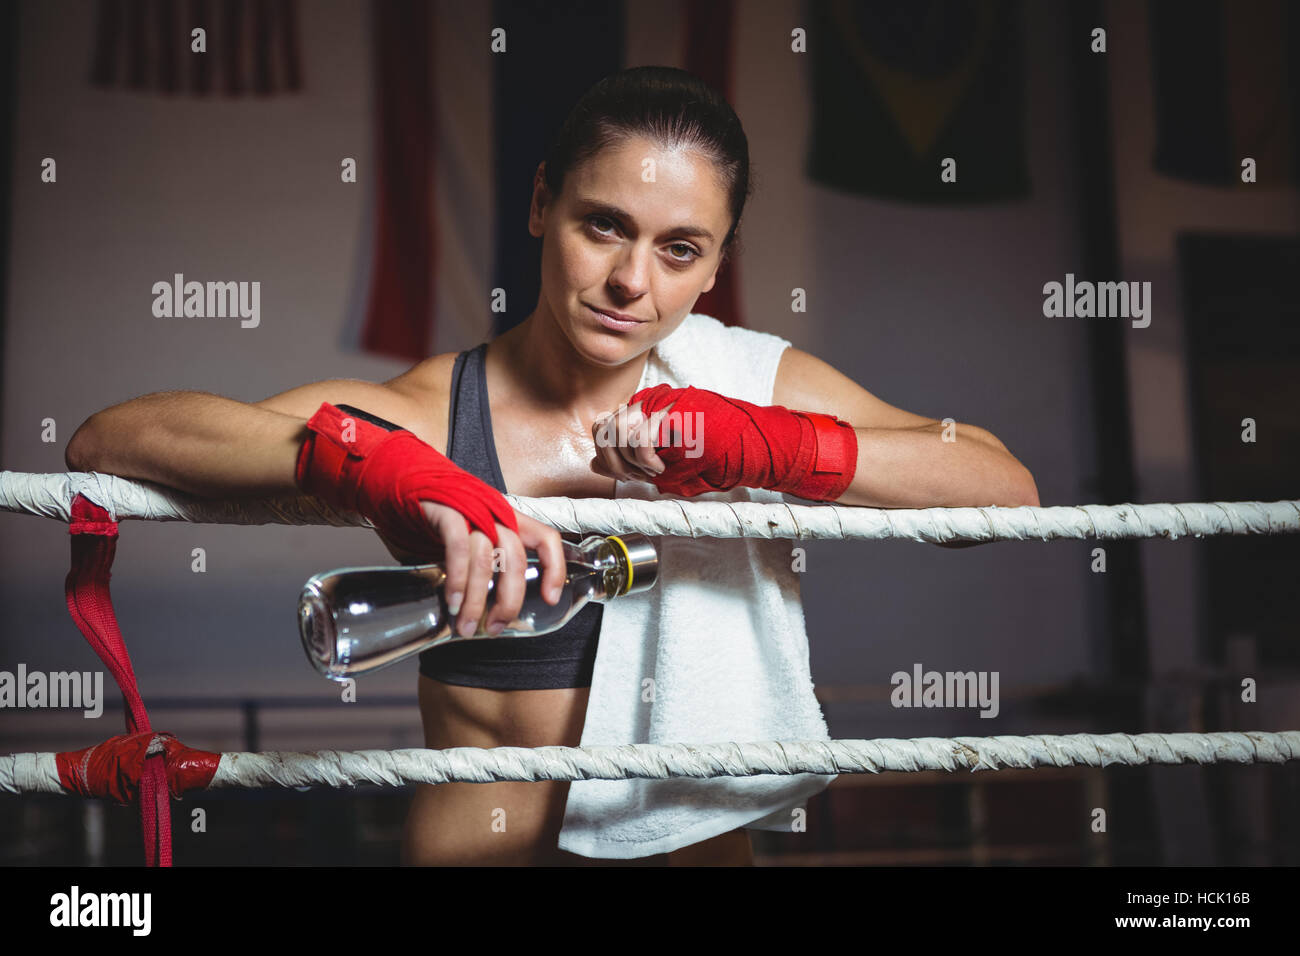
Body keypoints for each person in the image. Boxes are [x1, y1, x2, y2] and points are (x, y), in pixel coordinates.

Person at [65, 65, 1039, 867]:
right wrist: (375, 466)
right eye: (604, 224)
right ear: (541, 204)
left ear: (716, 266)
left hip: (690, 845)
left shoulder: (749, 382)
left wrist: (771, 443)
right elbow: (112, 439)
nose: (631, 281)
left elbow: (1001, 486)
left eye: (679, 249)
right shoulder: (434, 416)